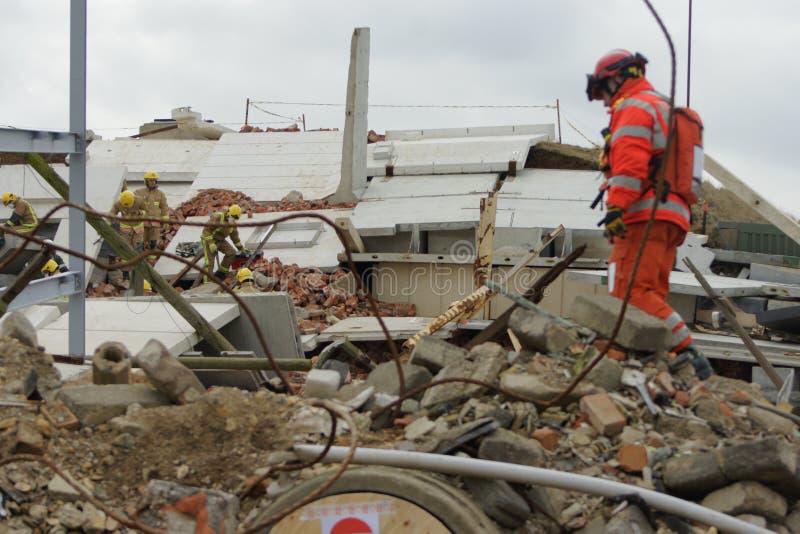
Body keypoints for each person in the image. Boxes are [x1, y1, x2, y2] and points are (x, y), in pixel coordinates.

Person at [586, 49, 712, 378]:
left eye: (603, 90)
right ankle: (653, 357)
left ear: (618, 76)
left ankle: (689, 354)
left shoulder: (634, 107)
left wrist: (616, 207)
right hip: (671, 217)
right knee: (651, 292)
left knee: (631, 293)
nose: (603, 102)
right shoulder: (663, 107)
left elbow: (630, 164)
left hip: (644, 215)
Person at [200, 204, 249, 282]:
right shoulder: (218, 217)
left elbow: (235, 238)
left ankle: (222, 273)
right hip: (208, 239)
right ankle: (207, 282)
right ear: (228, 213)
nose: (233, 219)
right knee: (209, 262)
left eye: (236, 218)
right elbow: (206, 231)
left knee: (232, 253)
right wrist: (211, 243)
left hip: (220, 240)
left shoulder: (233, 225)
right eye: (233, 216)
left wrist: (241, 248)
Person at [110, 190, 147, 282]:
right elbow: (112, 213)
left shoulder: (139, 201)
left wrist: (140, 213)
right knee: (125, 249)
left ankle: (138, 271)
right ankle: (125, 274)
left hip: (138, 228)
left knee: (138, 248)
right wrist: (109, 221)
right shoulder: (119, 203)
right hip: (125, 227)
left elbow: (146, 211)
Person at [134, 170, 169, 256]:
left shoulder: (160, 194)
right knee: (139, 245)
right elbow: (133, 205)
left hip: (155, 225)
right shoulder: (139, 192)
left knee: (153, 245)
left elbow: (164, 207)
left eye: (154, 180)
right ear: (146, 181)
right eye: (150, 180)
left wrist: (166, 219)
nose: (153, 182)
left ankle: (151, 264)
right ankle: (139, 263)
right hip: (142, 225)